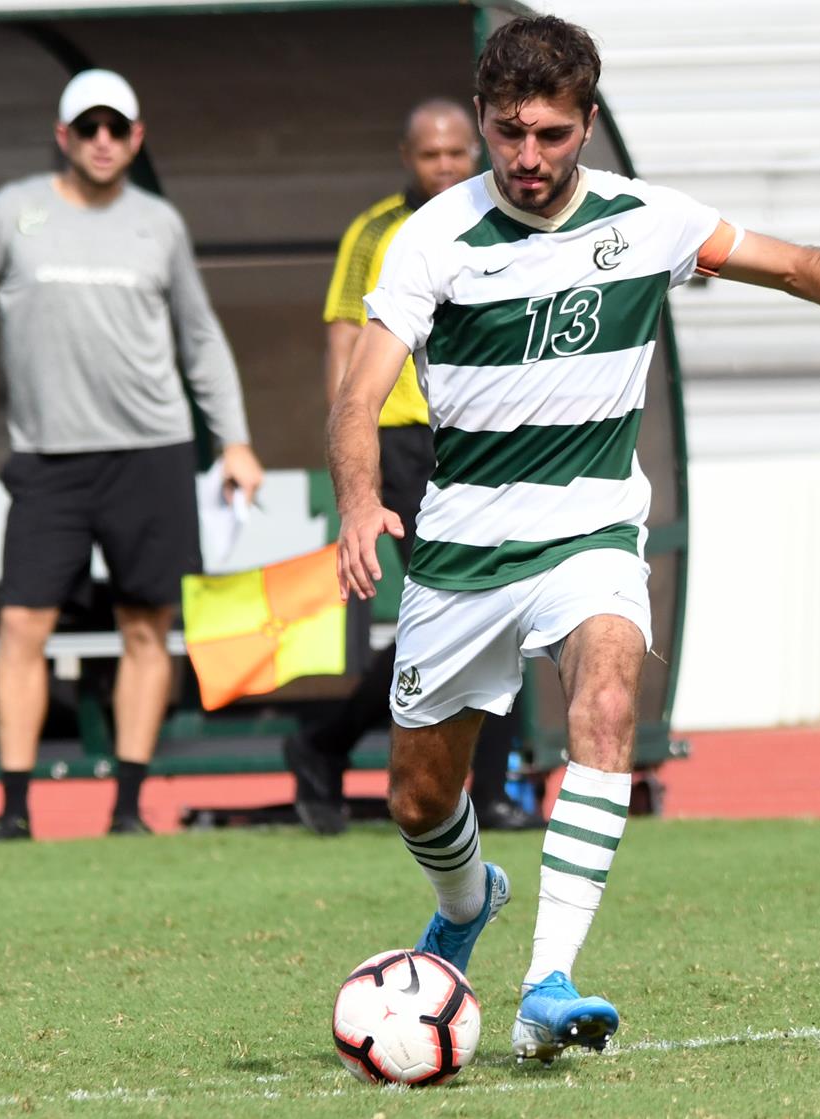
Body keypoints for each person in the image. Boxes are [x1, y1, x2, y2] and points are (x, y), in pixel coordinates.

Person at [327, 17, 820, 1063]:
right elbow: (357, 398)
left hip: (586, 528)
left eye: (546, 134)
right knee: (417, 797)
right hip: (462, 546)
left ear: (586, 124)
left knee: (609, 694)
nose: (524, 158)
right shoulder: (434, 237)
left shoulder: (646, 218)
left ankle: (548, 981)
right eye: (505, 134)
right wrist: (360, 504)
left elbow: (793, 261)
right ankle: (467, 900)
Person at [0, 69, 264, 841]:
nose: (103, 140)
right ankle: (13, 808)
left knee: (146, 627)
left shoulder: (158, 224)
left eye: (117, 127)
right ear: (62, 135)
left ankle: (128, 807)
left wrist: (233, 440)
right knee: (21, 628)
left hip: (151, 452)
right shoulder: (14, 211)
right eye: (88, 126)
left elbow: (200, 338)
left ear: (136, 138)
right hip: (49, 461)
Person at [286, 98, 542, 837]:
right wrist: (348, 454)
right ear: (407, 156)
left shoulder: (508, 215)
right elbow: (345, 343)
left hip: (484, 436)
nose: (445, 167)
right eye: (431, 155)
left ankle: (465, 784)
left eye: (457, 153)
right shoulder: (377, 232)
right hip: (402, 438)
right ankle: (454, 783)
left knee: (504, 605)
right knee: (463, 610)